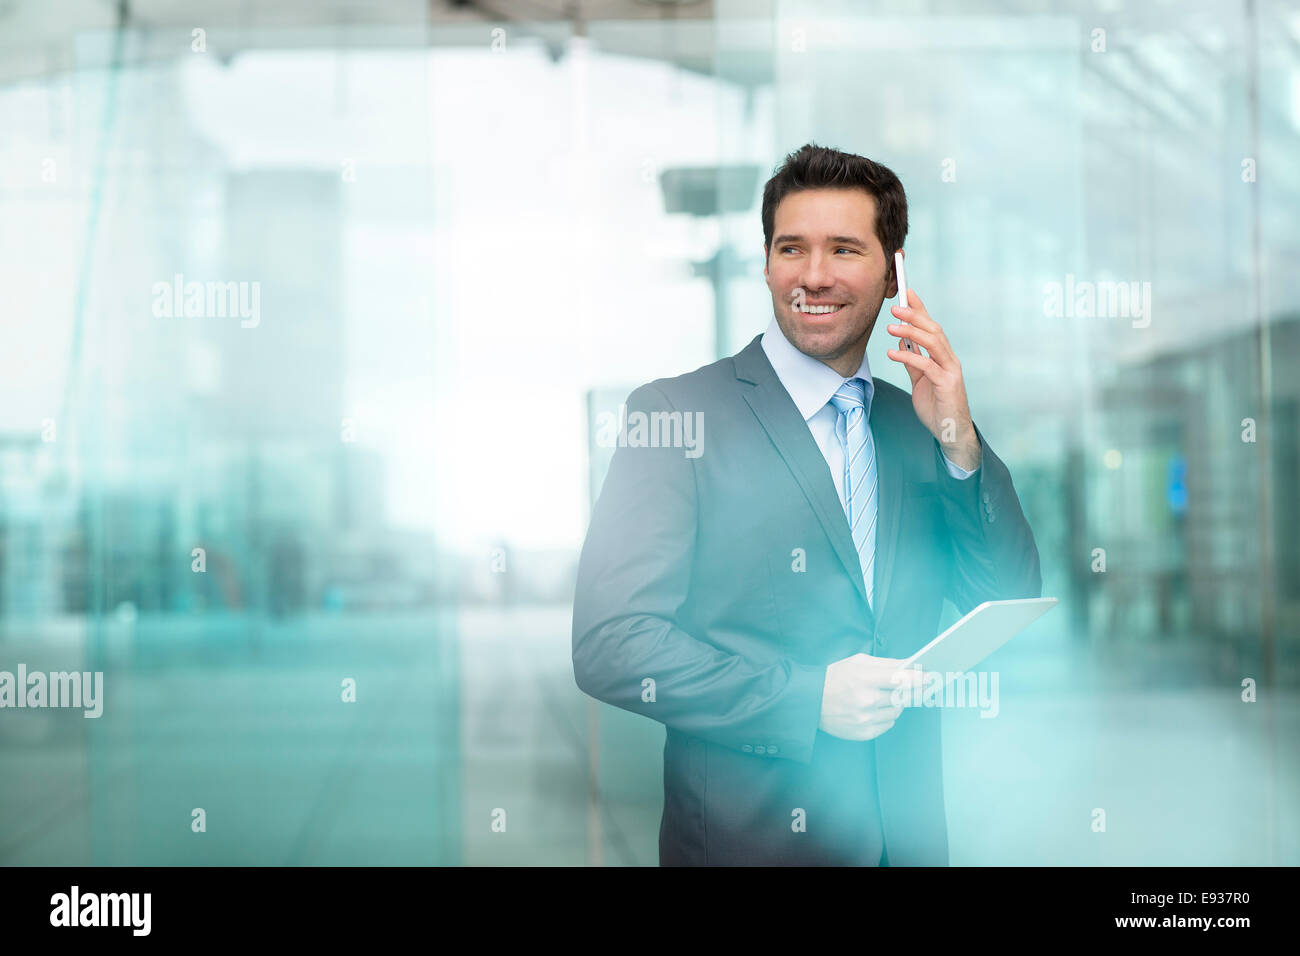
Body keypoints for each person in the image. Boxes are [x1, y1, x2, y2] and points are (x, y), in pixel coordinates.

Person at [572, 143, 1042, 866]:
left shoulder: (919, 427)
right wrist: (805, 699)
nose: (813, 275)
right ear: (766, 263)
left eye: (844, 249)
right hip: (748, 845)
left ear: (894, 273)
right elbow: (613, 644)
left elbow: (1007, 596)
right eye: (792, 248)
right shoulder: (676, 416)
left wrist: (958, 437)